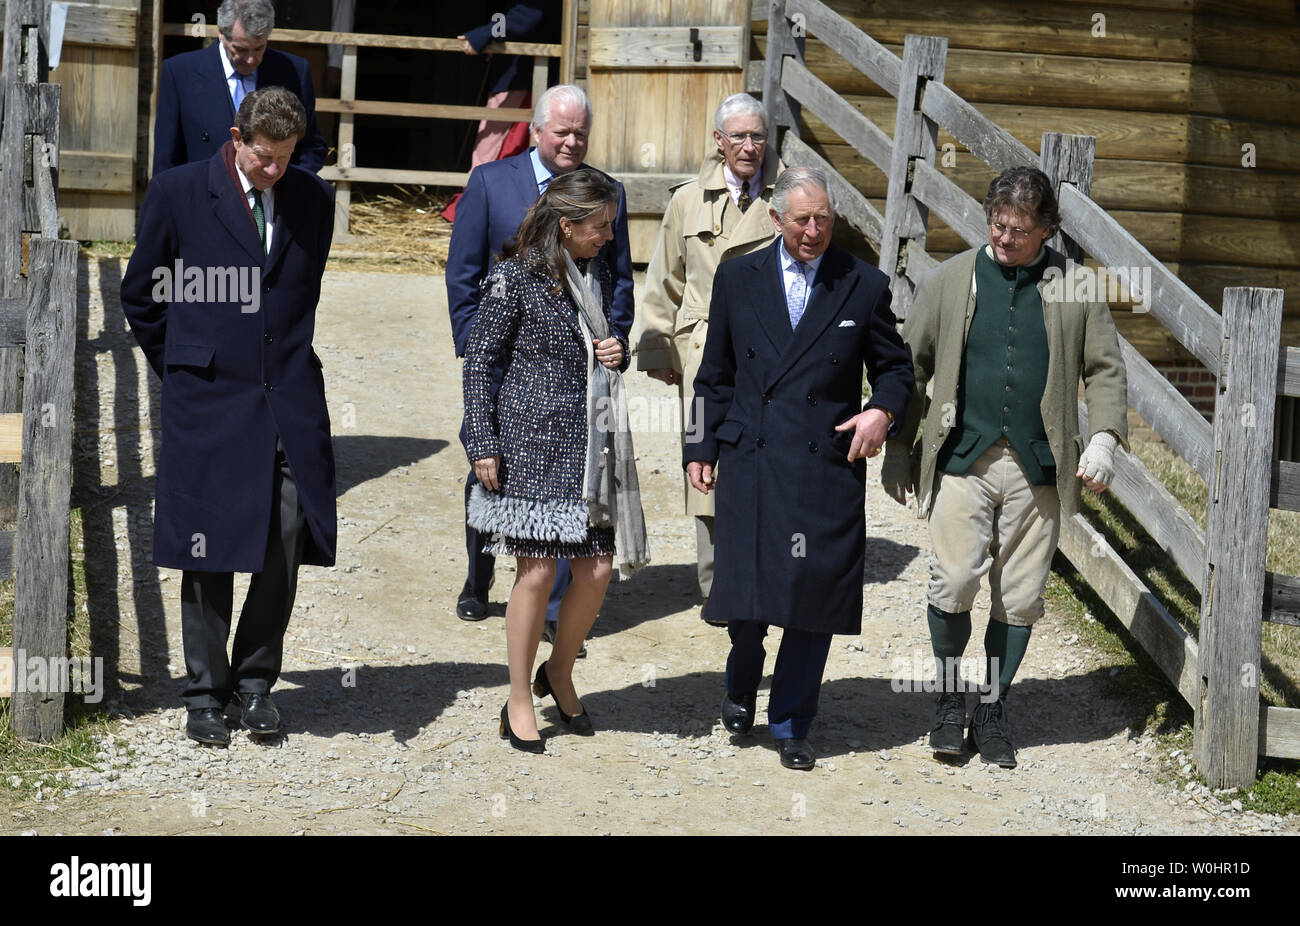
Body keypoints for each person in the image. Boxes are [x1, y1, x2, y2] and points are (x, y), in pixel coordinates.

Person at [882, 166, 1128, 768]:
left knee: (1019, 599)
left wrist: (1103, 437)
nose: (1005, 238)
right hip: (964, 458)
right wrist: (898, 446)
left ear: (1046, 231)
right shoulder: (951, 280)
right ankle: (947, 701)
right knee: (956, 579)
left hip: (1039, 466)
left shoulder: (1075, 287)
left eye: (1020, 230)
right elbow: (908, 367)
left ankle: (991, 708)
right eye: (997, 224)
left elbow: (1104, 369)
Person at [121, 86, 337, 746]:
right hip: (208, 399)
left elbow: (301, 294)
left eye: (287, 157)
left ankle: (254, 684)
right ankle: (205, 693)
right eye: (264, 156)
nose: (274, 170)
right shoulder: (179, 191)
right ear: (237, 139)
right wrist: (187, 367)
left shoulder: (312, 200)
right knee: (206, 541)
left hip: (288, 396)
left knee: (288, 531)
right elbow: (143, 294)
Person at [685, 167, 914, 770]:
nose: (814, 231)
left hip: (823, 467)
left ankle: (791, 722)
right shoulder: (737, 277)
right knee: (749, 594)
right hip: (752, 459)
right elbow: (713, 375)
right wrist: (697, 449)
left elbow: (896, 369)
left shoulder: (862, 284)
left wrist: (881, 412)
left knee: (812, 597)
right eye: (802, 220)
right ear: (775, 219)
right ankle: (741, 682)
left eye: (824, 220)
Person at [461, 170, 648, 753]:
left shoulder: (600, 270)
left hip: (592, 447)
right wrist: (482, 442)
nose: (608, 236)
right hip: (528, 446)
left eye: (610, 225)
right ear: (566, 226)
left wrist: (615, 348)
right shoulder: (512, 276)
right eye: (599, 227)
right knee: (537, 573)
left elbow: (607, 336)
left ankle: (559, 671)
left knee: (594, 573)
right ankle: (519, 696)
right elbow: (479, 362)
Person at [447, 84, 634, 631]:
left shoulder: (603, 193)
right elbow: (463, 272)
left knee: (566, 481)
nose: (573, 140)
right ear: (536, 130)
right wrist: (477, 344)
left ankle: (551, 607)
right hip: (503, 355)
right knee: (489, 467)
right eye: (563, 131)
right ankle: (478, 577)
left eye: (582, 132)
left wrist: (613, 340)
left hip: (574, 366)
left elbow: (616, 280)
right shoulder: (490, 182)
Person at [632, 93, 781, 625]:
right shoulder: (688, 200)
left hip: (772, 353)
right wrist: (655, 345)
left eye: (757, 136)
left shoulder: (787, 196)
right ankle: (716, 584)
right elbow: (664, 277)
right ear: (718, 141)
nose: (748, 146)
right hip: (703, 352)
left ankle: (764, 575)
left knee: (768, 456)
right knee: (706, 460)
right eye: (737, 136)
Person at [154, 0, 328, 176]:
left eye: (259, 48)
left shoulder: (294, 71)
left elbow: (312, 146)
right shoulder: (180, 72)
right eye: (241, 49)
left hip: (272, 197)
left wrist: (283, 183)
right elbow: (166, 157)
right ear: (221, 33)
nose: (251, 59)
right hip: (204, 195)